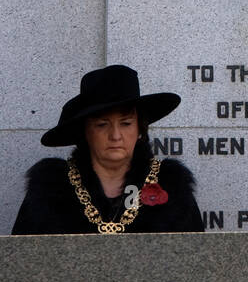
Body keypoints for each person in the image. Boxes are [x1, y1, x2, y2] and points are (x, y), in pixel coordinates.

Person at [12, 64, 203, 234]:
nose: (115, 135)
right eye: (102, 125)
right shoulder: (51, 189)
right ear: (85, 131)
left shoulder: (171, 184)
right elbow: (22, 263)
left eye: (126, 123)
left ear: (139, 129)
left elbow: (196, 261)